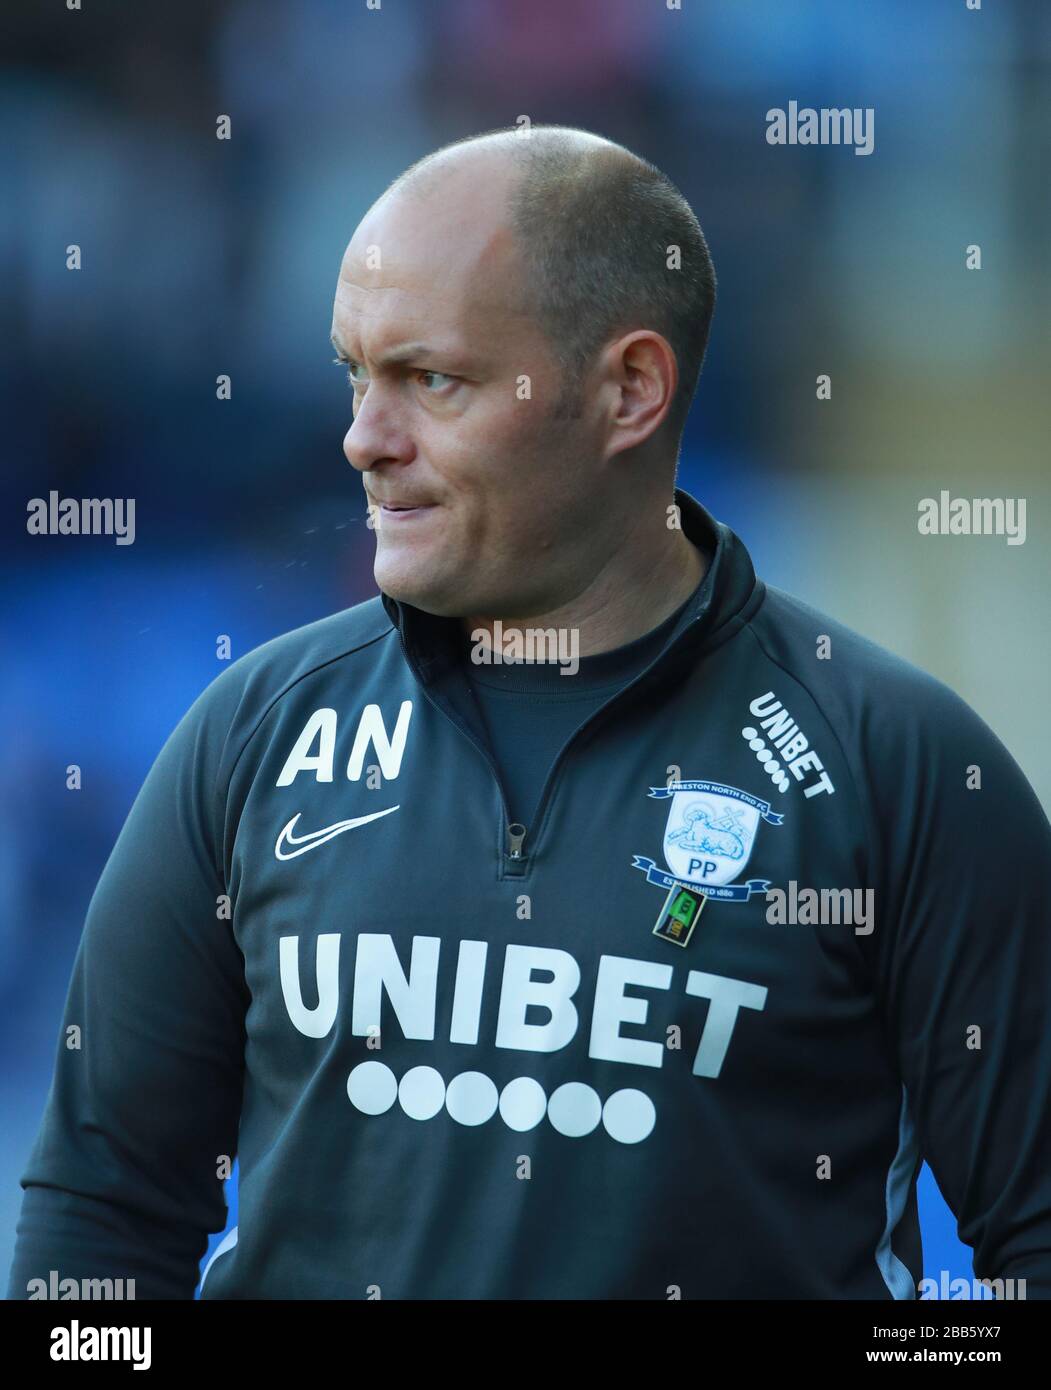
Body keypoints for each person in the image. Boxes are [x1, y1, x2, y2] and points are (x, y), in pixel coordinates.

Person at [9, 126, 1051, 1300]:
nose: (363, 438)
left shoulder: (897, 766)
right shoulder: (252, 734)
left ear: (629, 389)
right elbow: (99, 1221)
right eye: (357, 374)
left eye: (431, 379)